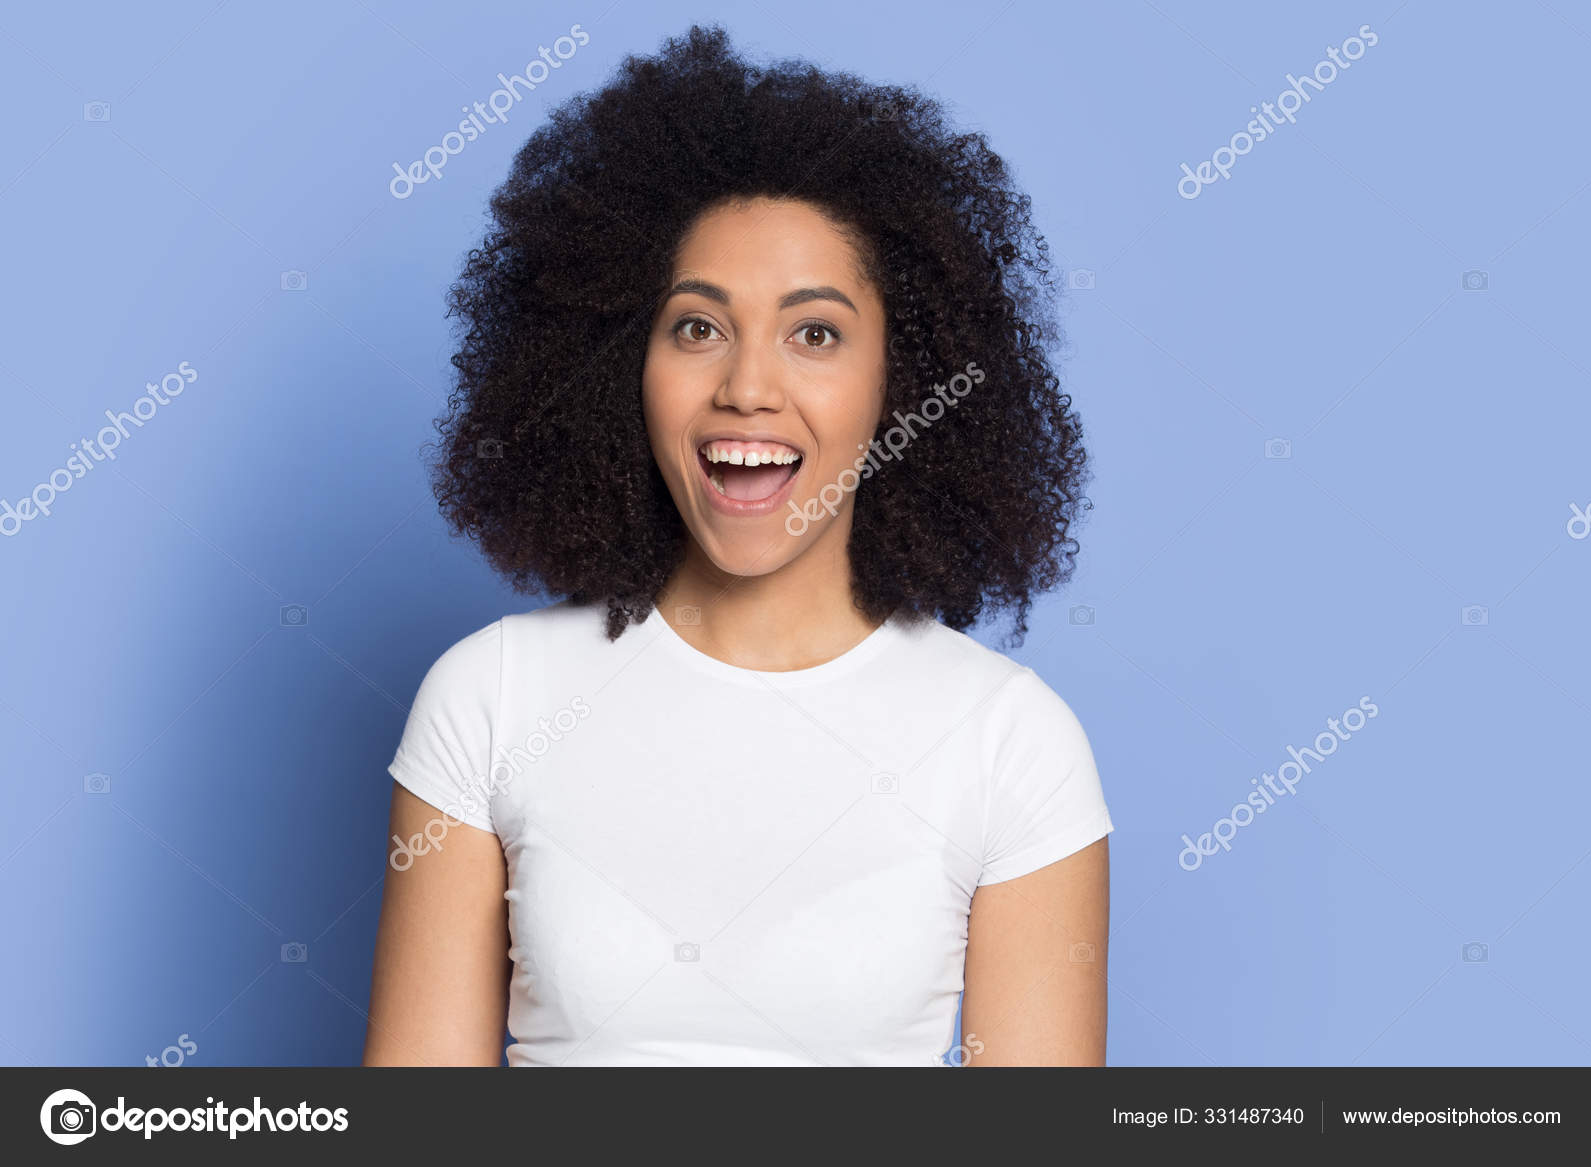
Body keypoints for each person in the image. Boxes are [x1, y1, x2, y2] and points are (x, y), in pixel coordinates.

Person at [364, 24, 1111, 1067]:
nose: (748, 386)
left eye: (815, 333)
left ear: (903, 379)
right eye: (698, 327)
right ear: (618, 363)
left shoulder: (1006, 744)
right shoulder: (491, 702)